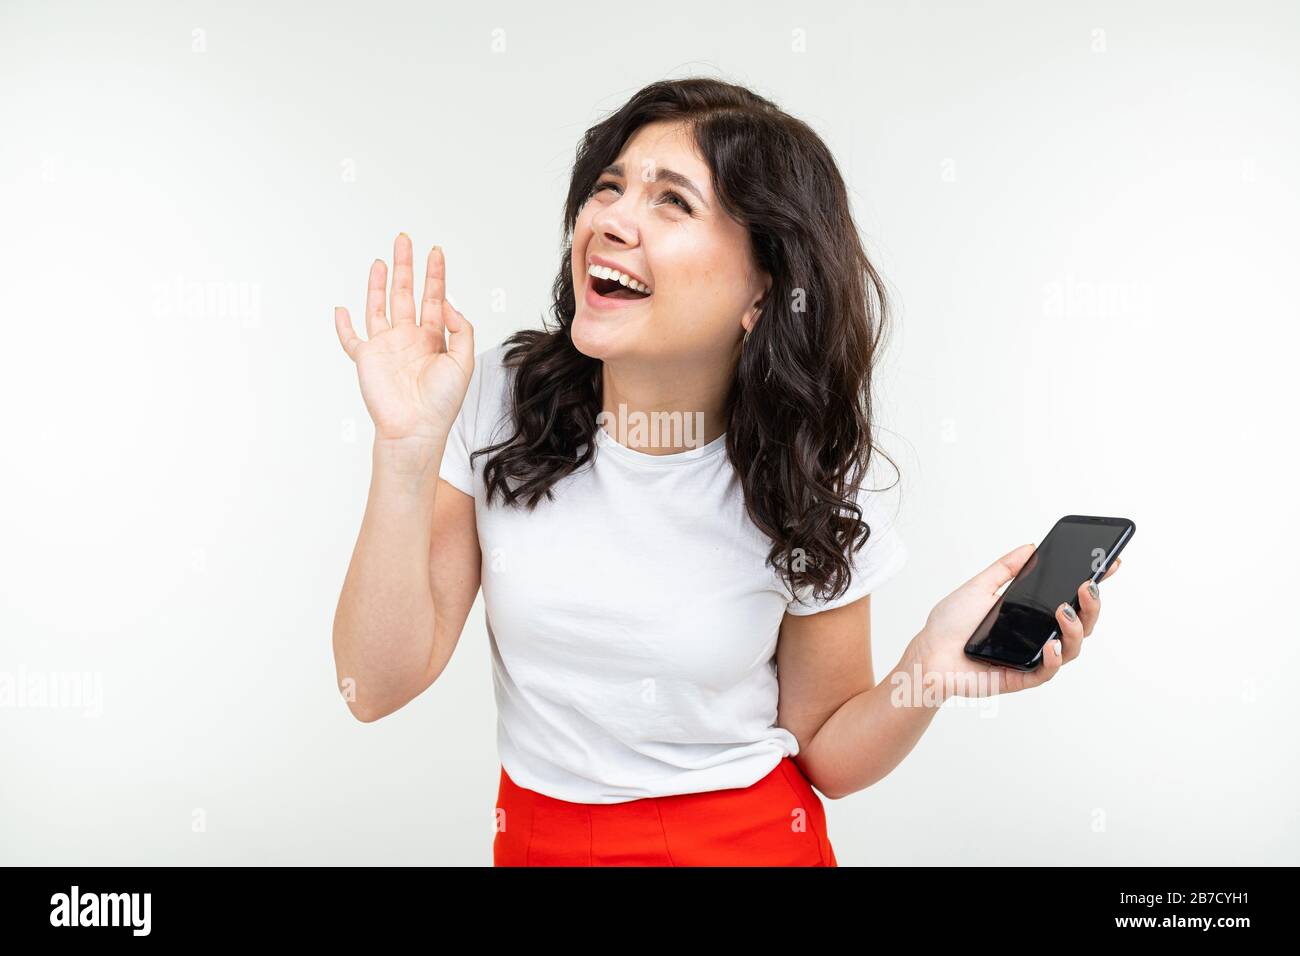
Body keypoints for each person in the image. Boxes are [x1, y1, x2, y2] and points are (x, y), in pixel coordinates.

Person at [330, 77, 1120, 867]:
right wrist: (404, 449)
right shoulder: (502, 396)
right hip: (539, 843)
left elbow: (825, 757)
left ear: (762, 287)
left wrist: (927, 672)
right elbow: (375, 685)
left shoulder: (812, 474)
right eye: (608, 188)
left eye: (672, 202)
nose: (610, 219)